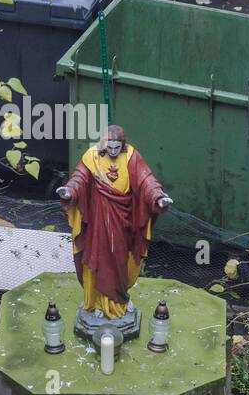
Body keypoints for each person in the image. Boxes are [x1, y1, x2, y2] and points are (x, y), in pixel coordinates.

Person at [56, 125, 171, 319]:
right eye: (110, 147)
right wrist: (69, 191)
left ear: (123, 145)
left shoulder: (131, 156)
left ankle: (120, 299)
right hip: (97, 223)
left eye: (117, 147)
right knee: (98, 259)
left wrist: (158, 196)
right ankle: (97, 303)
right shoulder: (92, 156)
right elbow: (79, 178)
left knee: (119, 260)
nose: (113, 151)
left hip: (123, 221)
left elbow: (146, 180)